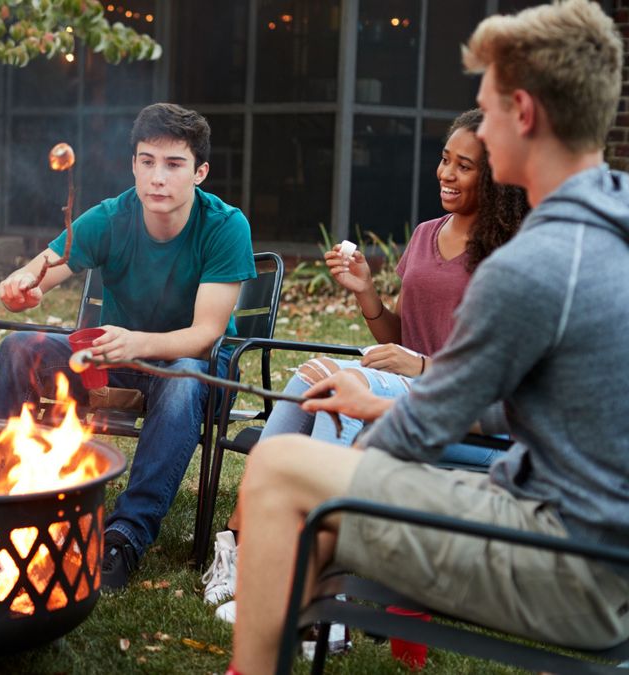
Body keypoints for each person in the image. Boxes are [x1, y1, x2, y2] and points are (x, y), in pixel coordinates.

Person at [226, 2, 629, 672]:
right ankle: (309, 614)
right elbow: (548, 396)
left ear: (523, 113)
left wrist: (345, 459)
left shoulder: (531, 264)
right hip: (600, 541)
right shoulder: (613, 222)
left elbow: (412, 437)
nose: (480, 129)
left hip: (571, 565)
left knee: (279, 471)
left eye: (487, 108)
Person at [202, 109, 531, 616]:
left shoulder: (510, 256)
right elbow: (405, 336)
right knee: (307, 379)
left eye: (464, 167)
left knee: (341, 387)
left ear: (494, 177)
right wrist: (367, 295)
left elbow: (502, 377)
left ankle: (309, 581)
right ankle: (243, 546)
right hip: (409, 391)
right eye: (445, 160)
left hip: (466, 420)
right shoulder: (426, 234)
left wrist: (420, 367)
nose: (446, 174)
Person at [0, 103, 256, 590]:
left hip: (199, 372)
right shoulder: (110, 216)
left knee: (184, 377)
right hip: (115, 364)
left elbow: (206, 332)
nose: (158, 178)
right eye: (147, 161)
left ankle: (124, 535)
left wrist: (136, 344)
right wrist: (23, 284)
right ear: (133, 164)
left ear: (201, 171)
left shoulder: (224, 225)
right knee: (20, 347)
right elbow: (45, 269)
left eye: (174, 165)